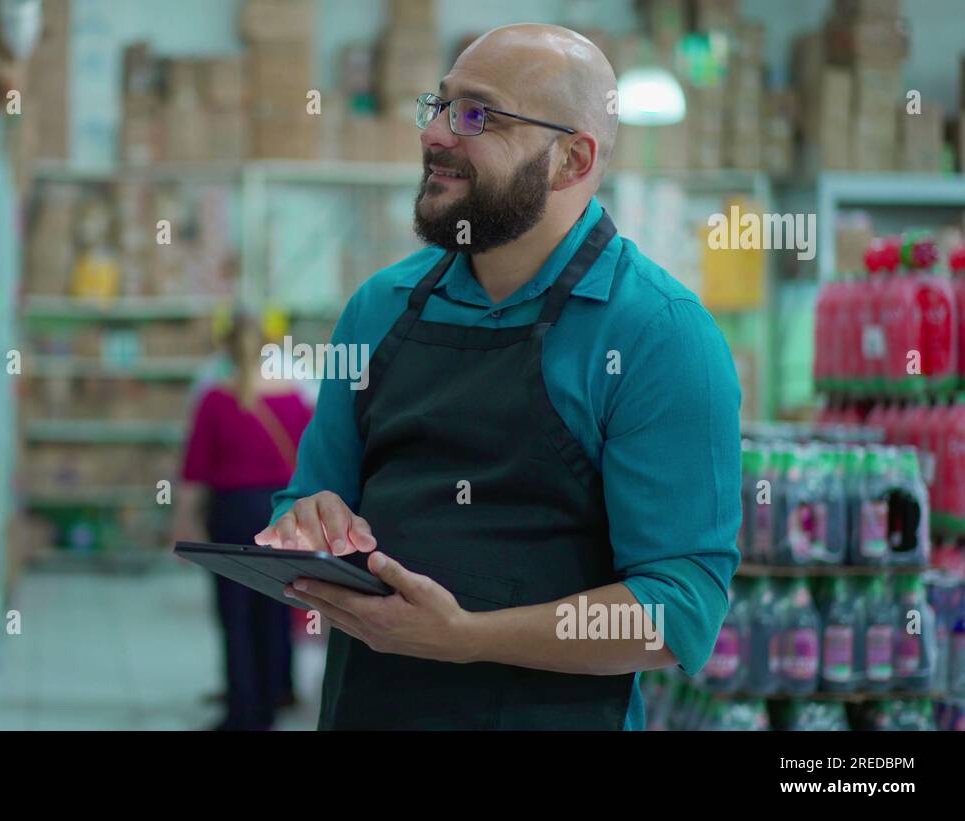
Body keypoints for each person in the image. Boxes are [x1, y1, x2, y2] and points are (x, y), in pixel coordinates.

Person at [254, 24, 742, 730]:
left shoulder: (658, 335)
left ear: (572, 159)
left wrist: (467, 639)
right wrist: (303, 522)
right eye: (440, 106)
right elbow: (302, 499)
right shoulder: (378, 308)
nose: (437, 134)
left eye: (477, 115)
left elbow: (678, 608)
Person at [174, 311, 313, 731]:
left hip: (231, 514)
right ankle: (274, 699)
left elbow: (194, 474)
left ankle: (243, 711)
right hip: (280, 513)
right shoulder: (294, 399)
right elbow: (313, 463)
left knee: (235, 614)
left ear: (225, 350)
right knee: (276, 606)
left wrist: (182, 525)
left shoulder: (215, 400)